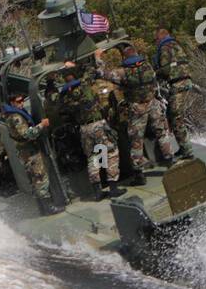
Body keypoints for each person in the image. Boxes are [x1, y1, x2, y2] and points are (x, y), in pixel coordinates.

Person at [98, 43, 174, 183]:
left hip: (137, 108)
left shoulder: (123, 72)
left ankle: (139, 174)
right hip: (153, 104)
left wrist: (98, 59)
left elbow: (104, 74)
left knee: (136, 141)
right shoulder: (148, 67)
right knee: (162, 133)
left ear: (125, 57)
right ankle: (170, 161)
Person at [56, 62, 125, 199]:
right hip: (97, 124)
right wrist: (79, 64)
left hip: (84, 128)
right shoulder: (84, 83)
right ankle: (113, 187)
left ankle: (97, 191)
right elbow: (90, 70)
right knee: (110, 152)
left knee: (93, 157)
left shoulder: (64, 95)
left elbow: (62, 112)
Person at [0, 92, 61, 214]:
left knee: (36, 179)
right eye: (18, 101)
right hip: (29, 151)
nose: (21, 103)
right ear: (12, 103)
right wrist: (42, 125)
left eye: (22, 100)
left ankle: (43, 208)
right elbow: (27, 134)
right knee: (40, 179)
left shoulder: (11, 115)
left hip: (26, 151)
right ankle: (48, 208)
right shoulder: (16, 117)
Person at [153, 27, 194, 158]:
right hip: (186, 81)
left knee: (174, 117)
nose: (155, 43)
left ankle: (186, 150)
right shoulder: (176, 45)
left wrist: (154, 74)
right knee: (177, 115)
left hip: (177, 83)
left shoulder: (165, 48)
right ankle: (185, 146)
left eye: (155, 40)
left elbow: (165, 70)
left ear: (160, 37)